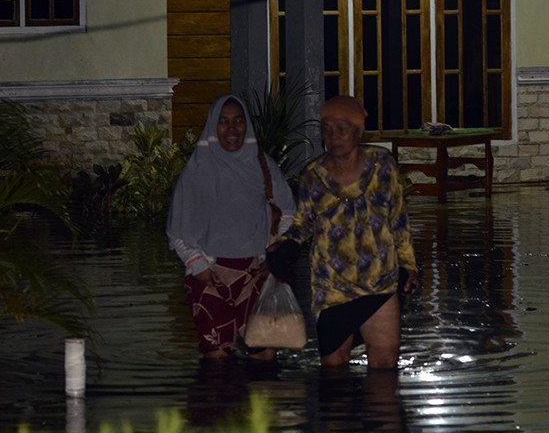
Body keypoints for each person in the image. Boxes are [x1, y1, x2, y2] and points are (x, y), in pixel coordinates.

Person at [268, 95, 419, 369]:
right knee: (334, 372)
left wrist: (408, 265)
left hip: (379, 281)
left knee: (384, 369)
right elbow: (303, 223)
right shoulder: (313, 175)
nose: (333, 136)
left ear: (359, 131)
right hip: (332, 288)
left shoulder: (382, 164)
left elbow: (398, 220)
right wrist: (287, 245)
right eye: (326, 129)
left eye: (341, 129)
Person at [167, 95, 296, 360]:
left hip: (255, 274)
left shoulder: (262, 166)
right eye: (223, 122)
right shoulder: (196, 171)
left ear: (246, 125)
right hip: (208, 276)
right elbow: (176, 230)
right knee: (217, 362)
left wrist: (271, 248)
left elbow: (289, 211)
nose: (232, 129)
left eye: (238, 121)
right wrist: (198, 265)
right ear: (213, 126)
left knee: (264, 356)